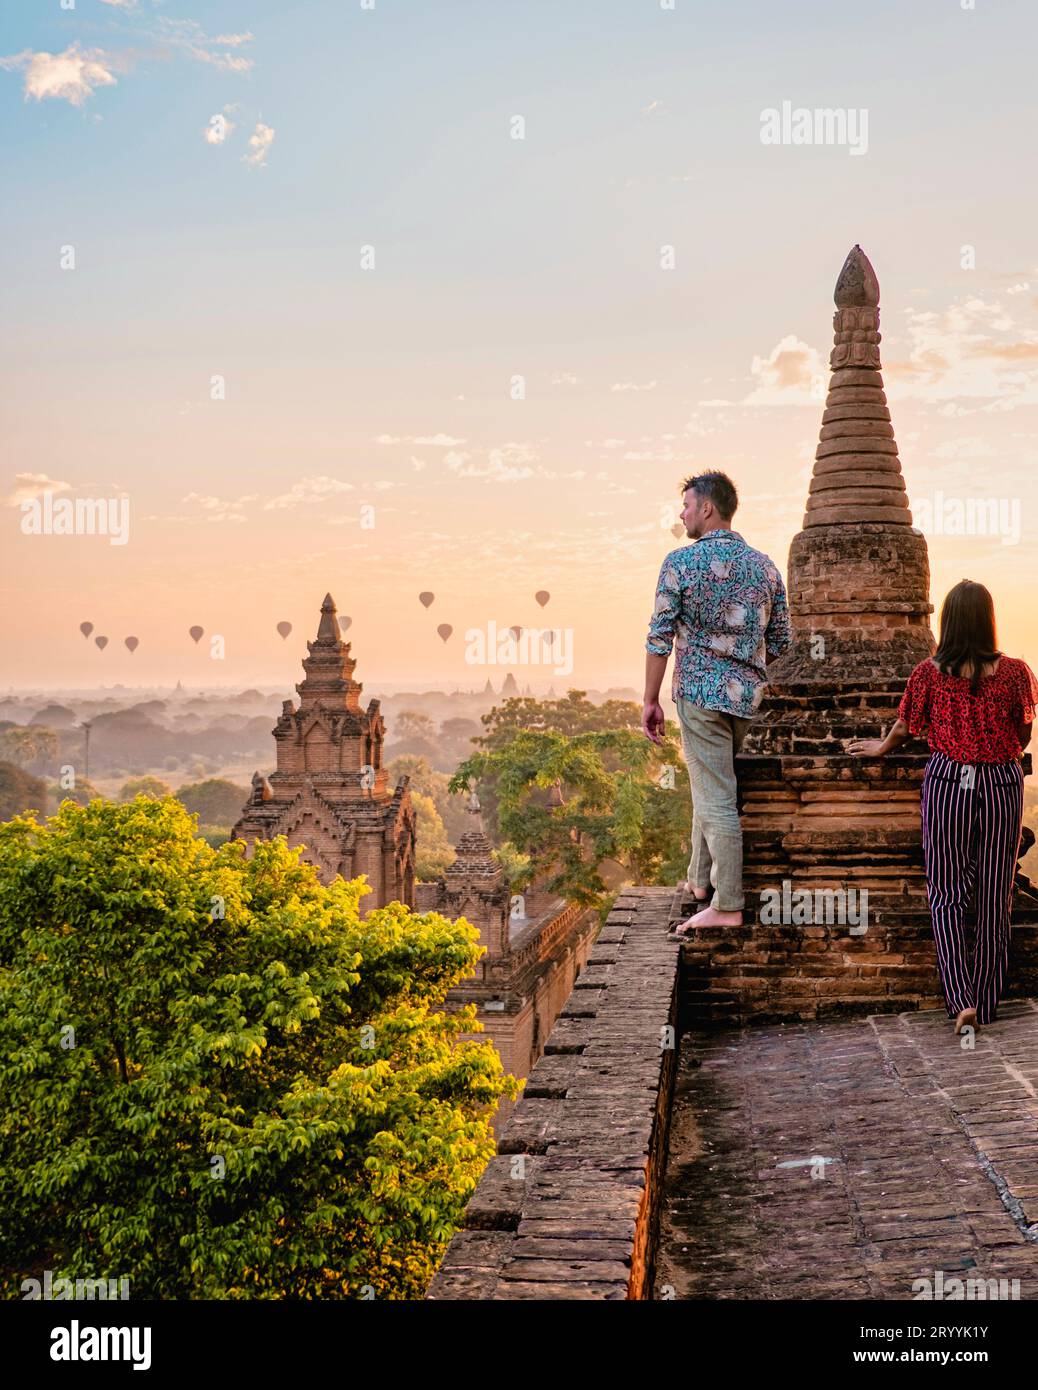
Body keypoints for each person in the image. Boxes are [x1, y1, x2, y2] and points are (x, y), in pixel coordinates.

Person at [847, 579, 1038, 1034]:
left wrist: (879, 749)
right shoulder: (1016, 673)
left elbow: (905, 727)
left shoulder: (928, 674)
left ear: (947, 622)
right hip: (999, 782)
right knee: (995, 895)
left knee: (947, 893)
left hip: (950, 782)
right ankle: (987, 1001)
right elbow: (1025, 735)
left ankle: (960, 999)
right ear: (988, 620)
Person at [642, 471, 791, 936]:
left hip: (700, 694)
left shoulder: (681, 563)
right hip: (746, 698)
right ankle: (700, 882)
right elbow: (781, 640)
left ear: (707, 508)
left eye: (686, 505)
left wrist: (650, 699)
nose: (682, 514)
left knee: (717, 796)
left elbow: (659, 636)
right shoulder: (765, 566)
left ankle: (727, 902)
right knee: (711, 786)